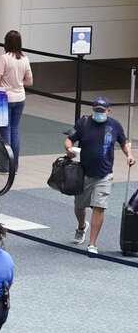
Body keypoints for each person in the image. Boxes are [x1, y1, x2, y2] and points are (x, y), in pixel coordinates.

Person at [65, 97, 135, 253]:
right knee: (79, 206)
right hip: (84, 173)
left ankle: (92, 244)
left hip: (104, 174)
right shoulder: (83, 123)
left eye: (102, 111)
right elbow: (69, 139)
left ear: (108, 111)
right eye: (96, 110)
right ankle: (82, 226)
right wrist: (69, 149)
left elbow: (123, 143)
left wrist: (129, 155)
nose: (99, 113)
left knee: (99, 207)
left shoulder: (114, 126)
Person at [0, 30, 33, 174]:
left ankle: (4, 165)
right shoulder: (25, 59)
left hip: (4, 98)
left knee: (5, 132)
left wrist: (4, 85)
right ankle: (14, 165)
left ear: (6, 43)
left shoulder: (4, 58)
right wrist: (17, 83)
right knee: (15, 130)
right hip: (20, 97)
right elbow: (29, 81)